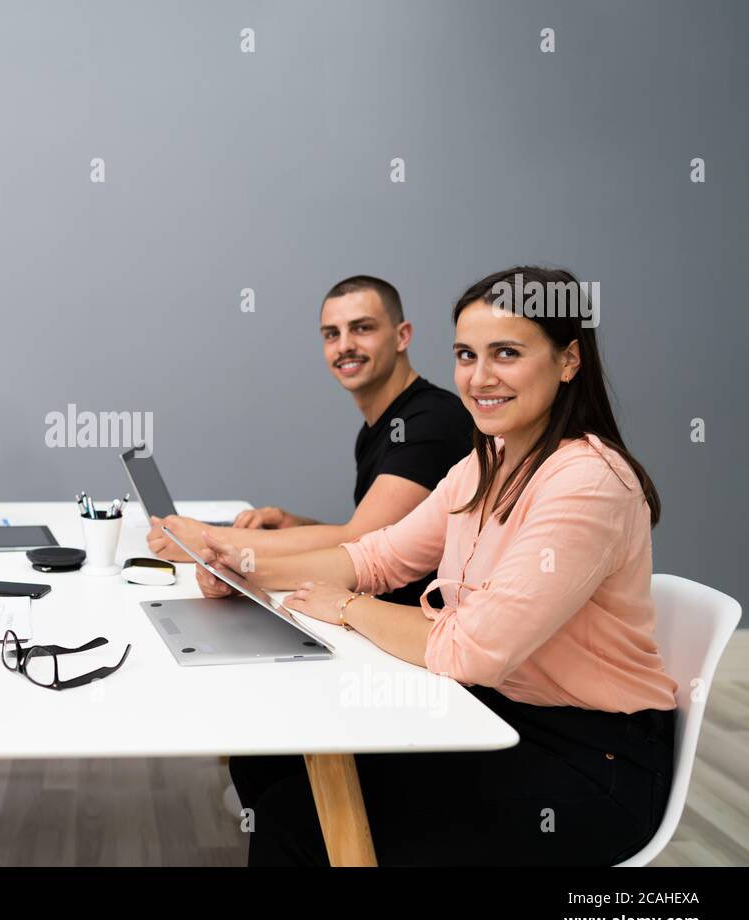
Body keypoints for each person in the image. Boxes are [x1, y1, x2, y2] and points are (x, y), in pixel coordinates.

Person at [196, 266, 678, 865]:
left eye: (506, 353)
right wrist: (242, 570)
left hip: (591, 761)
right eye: (466, 355)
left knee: (295, 821)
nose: (479, 378)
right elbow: (379, 555)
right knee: (271, 759)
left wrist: (348, 608)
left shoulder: (588, 482)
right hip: (491, 708)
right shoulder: (486, 461)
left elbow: (472, 649)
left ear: (568, 360)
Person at [148, 275, 471, 606]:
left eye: (362, 328)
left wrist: (204, 539)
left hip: (417, 636)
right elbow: (382, 536)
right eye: (332, 334)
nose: (344, 345)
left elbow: (361, 541)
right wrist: (296, 525)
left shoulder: (432, 421)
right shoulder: (380, 425)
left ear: (402, 336)